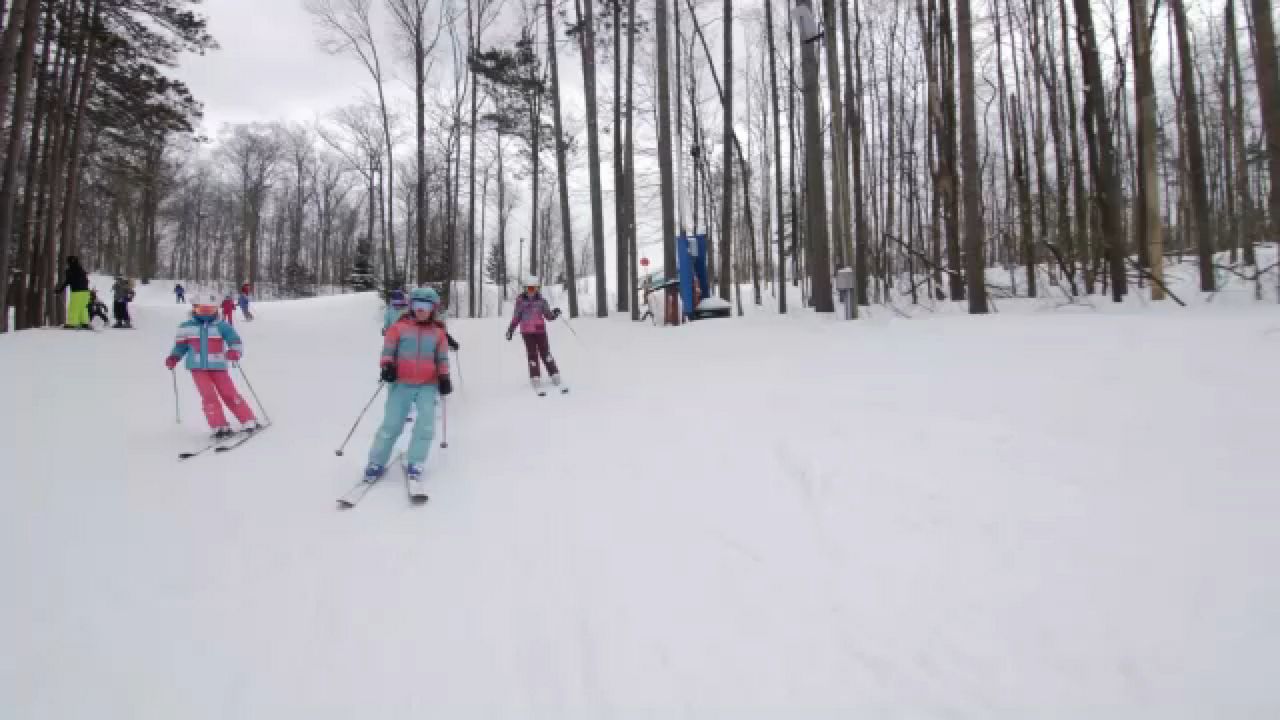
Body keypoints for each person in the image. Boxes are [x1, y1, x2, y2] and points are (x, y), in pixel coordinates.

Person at [363, 287, 453, 483]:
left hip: (427, 384)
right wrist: (387, 366)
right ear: (411, 306)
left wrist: (444, 377)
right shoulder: (398, 328)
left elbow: (442, 357)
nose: (421, 310)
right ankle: (376, 461)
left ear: (433, 308)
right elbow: (388, 350)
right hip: (401, 384)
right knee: (392, 423)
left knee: (426, 425)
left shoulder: (438, 333)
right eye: (417, 305)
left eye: (426, 306)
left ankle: (416, 460)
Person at [165, 303, 259, 440]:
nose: (205, 314)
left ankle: (248, 419)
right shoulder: (186, 327)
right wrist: (174, 357)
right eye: (201, 310)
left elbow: (235, 341)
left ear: (216, 309)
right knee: (208, 396)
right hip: (197, 367)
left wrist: (234, 351)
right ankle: (219, 426)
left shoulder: (222, 325)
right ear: (194, 309)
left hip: (218, 365)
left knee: (229, 392)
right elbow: (180, 346)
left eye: (210, 310)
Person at [506, 276, 563, 391]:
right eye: (529, 289)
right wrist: (510, 329)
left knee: (545, 353)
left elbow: (548, 316)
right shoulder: (520, 301)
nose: (531, 291)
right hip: (527, 332)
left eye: (534, 289)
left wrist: (554, 314)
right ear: (525, 289)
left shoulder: (542, 301)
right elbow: (516, 317)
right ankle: (535, 376)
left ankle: (554, 374)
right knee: (532, 354)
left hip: (540, 331)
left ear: (537, 289)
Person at [55, 256, 91, 329]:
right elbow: (86, 281)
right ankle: (84, 322)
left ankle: (72, 323)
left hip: (76, 292)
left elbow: (68, 281)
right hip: (85, 292)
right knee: (83, 308)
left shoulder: (70, 270)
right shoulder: (82, 270)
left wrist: (60, 290)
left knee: (73, 307)